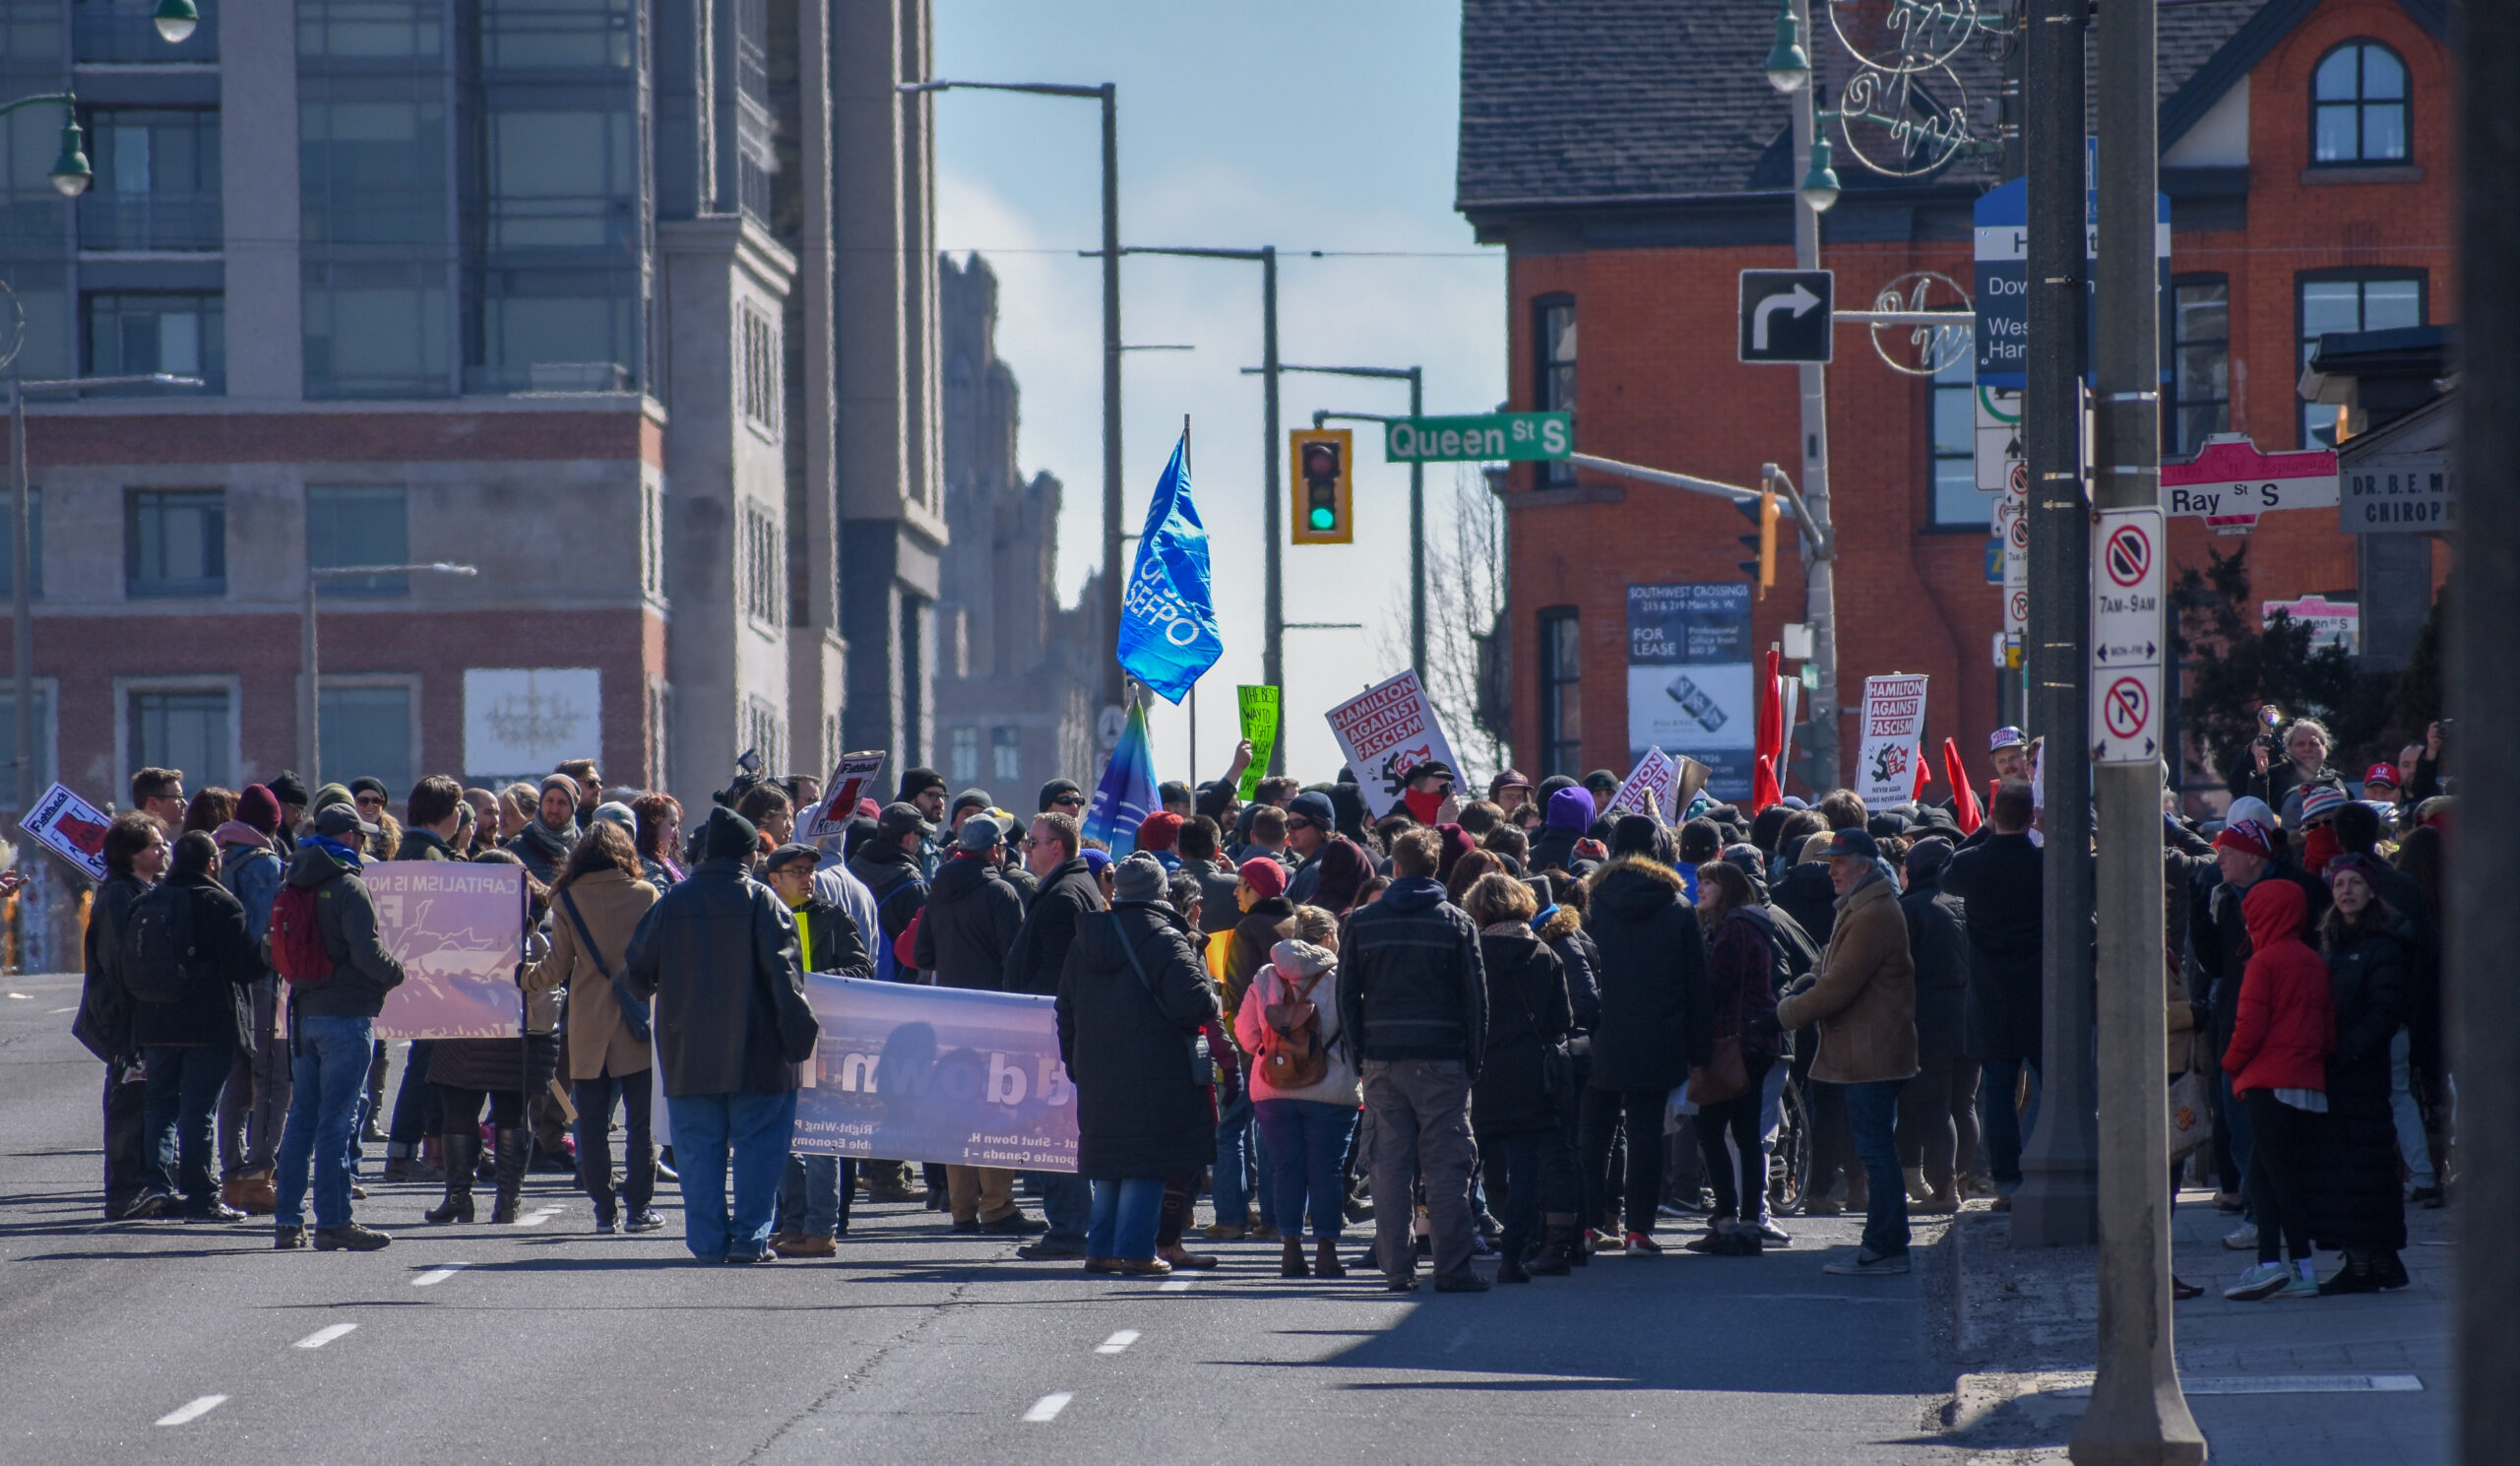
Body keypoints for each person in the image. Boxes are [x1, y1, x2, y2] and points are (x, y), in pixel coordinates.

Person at [624, 807, 821, 1263]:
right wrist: (800, 1042)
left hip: (687, 1052)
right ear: (751, 854)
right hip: (760, 1053)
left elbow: (635, 974)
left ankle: (709, 1242)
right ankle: (750, 1240)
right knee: (758, 1151)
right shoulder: (763, 902)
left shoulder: (671, 902)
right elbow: (786, 981)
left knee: (697, 1154)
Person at [1055, 855, 1223, 1276]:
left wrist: (1075, 1061)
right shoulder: (1165, 937)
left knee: (1110, 1161)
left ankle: (1102, 1249)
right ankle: (1137, 1251)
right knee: (1148, 1159)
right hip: (1156, 1067)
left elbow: (1066, 1009)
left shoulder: (1084, 939)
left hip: (1097, 1068)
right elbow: (1196, 1005)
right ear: (1163, 893)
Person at [1341, 827, 1490, 1292]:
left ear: (1396, 867)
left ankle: (1397, 1268)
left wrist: (1360, 1056)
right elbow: (1475, 1000)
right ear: (1436, 868)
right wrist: (1473, 1062)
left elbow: (1347, 997)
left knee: (1388, 1166)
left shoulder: (1363, 922)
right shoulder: (1456, 921)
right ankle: (1451, 1267)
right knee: (1446, 1165)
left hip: (1383, 1058)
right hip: (1443, 1059)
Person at [1777, 827, 1919, 1277]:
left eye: (1838, 862)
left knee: (1876, 1151)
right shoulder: (1861, 906)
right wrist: (1808, 979)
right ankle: (1885, 1243)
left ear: (1862, 864)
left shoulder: (1874, 912)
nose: (1831, 871)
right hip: (1868, 1049)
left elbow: (1839, 985)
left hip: (1872, 1052)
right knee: (1876, 1148)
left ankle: (1885, 1246)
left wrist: (1783, 1014)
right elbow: (1829, 963)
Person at [271, 802, 409, 1251]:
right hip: (346, 1016)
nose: (364, 843)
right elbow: (367, 953)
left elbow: (265, 948)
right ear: (349, 837)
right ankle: (333, 1221)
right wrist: (395, 973)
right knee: (338, 1122)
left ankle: (289, 1222)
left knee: (301, 1121)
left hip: (304, 1013)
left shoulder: (292, 879)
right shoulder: (349, 885)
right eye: (362, 836)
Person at [525, 822, 665, 1234]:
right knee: (641, 1123)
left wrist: (524, 978)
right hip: (636, 1017)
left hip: (587, 1022)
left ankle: (605, 1210)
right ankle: (639, 1208)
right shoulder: (645, 895)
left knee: (591, 1122)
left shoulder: (567, 899)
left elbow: (557, 967)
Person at [1579, 815, 1710, 1255]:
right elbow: (1697, 983)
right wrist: (1699, 1047)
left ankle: (1588, 1224)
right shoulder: (1677, 906)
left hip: (1599, 1033)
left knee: (1594, 1132)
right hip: (1659, 1034)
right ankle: (1638, 1229)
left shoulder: (1590, 900)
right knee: (1646, 1133)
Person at [913, 811, 1042, 1236]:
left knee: (959, 1113)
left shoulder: (938, 890)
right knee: (997, 1110)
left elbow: (922, 954)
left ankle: (962, 1209)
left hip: (950, 1016)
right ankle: (998, 1206)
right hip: (994, 1018)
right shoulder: (1000, 892)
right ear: (994, 850)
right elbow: (1017, 960)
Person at [124, 830, 264, 1223]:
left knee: (159, 1105)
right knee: (199, 1110)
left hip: (154, 1019)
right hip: (208, 1024)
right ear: (212, 863)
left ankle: (156, 1183)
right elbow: (245, 968)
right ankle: (202, 1196)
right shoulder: (221, 904)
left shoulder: (147, 901)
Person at [756, 842, 873, 1256]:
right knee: (783, 1135)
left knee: (822, 1140)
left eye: (810, 871)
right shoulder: (762, 916)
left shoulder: (832, 918)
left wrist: (810, 982)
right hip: (777, 1040)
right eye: (798, 871)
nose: (808, 878)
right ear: (775, 879)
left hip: (827, 1040)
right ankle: (793, 1224)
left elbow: (862, 969)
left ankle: (821, 1228)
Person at [2221, 879, 2335, 1301]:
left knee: (2270, 1177)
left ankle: (2276, 1264)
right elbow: (2326, 1030)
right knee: (2271, 1173)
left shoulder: (2263, 963)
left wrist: (2229, 1066)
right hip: (2306, 1080)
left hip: (2268, 1079)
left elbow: (2248, 1029)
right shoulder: (2313, 960)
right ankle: (2289, 1266)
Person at [1462, 872, 1575, 1282]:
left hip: (1481, 1073)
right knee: (1526, 1168)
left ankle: (1455, 1252)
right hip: (1531, 1075)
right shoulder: (1545, 956)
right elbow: (1563, 1020)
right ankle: (1513, 1258)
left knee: (1465, 1165)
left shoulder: (1471, 951)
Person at [1003, 810, 1105, 1260]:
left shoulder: (1066, 895)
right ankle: (1072, 1223)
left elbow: (1057, 977)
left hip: (1050, 1033)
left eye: (1033, 843)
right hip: (1060, 1030)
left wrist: (1026, 1012)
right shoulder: (1070, 886)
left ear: (1056, 847)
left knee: (1058, 1133)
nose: (1027, 850)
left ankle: (1069, 1227)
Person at [2306, 855, 2411, 1294]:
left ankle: (2366, 1261)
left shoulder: (2381, 946)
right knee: (2353, 1166)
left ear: (2371, 891)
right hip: (2338, 1070)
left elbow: (2384, 1012)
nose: (2345, 891)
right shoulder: (2330, 943)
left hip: (2360, 1071)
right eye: (2338, 884)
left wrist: (2344, 1053)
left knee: (2363, 1165)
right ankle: (2376, 1259)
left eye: (2354, 884)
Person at [1236, 924, 1361, 1281]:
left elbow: (1246, 1036)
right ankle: (1327, 1252)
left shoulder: (1265, 975)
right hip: (1332, 1091)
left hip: (1274, 1089)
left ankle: (1291, 1248)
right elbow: (1357, 1031)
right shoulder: (1341, 976)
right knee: (1328, 1171)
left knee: (1285, 1168)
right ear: (1324, 938)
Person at [1943, 781, 2043, 1204]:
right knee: (2055, 1086)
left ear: (1993, 816)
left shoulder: (1973, 863)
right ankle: (2048, 1167)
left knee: (1999, 1091)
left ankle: (2008, 1182)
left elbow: (1945, 869)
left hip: (1991, 994)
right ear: (2033, 819)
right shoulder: (2044, 864)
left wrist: (1985, 830)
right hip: (2040, 993)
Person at [1688, 860, 1784, 1255]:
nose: (1701, 889)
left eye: (1708, 882)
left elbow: (1716, 986)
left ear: (1726, 888)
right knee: (1745, 1132)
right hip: (1757, 1040)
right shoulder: (1752, 924)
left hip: (1735, 1041)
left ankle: (1729, 1221)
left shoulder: (1733, 928)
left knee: (1711, 1128)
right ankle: (1747, 1223)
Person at [213, 786, 290, 1213]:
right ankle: (260, 1173)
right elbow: (267, 930)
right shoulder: (264, 862)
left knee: (238, 1077)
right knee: (274, 1077)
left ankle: (230, 1170)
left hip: (226, 984)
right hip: (262, 982)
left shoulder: (219, 853)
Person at [1897, 835, 1977, 1214]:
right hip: (1973, 1016)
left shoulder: (1910, 908)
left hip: (1930, 1019)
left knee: (1935, 1104)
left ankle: (1945, 1191)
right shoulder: (1969, 904)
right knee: (1965, 1103)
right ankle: (1960, 1183)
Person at [507, 773, 582, 884]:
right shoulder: (518, 848)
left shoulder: (583, 849)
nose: (554, 809)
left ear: (572, 809)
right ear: (541, 803)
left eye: (562, 803)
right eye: (549, 801)